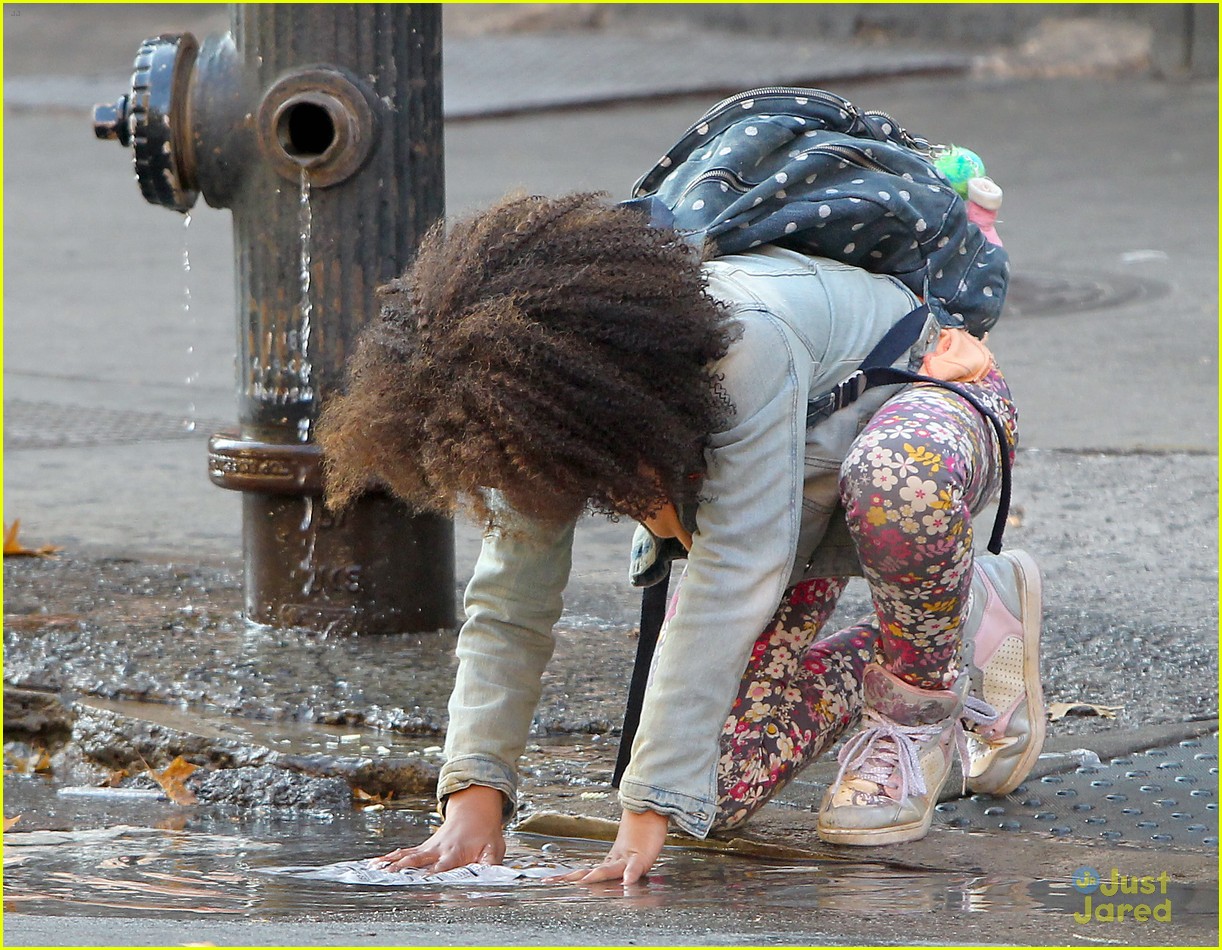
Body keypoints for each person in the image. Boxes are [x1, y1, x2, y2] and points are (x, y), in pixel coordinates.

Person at [317, 190, 1044, 885]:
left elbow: (733, 571)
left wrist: (644, 810)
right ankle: (966, 616)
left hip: (927, 400)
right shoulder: (512, 410)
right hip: (789, 495)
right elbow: (509, 602)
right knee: (705, 792)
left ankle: (922, 691)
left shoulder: (739, 345)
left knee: (895, 483)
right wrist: (473, 796)